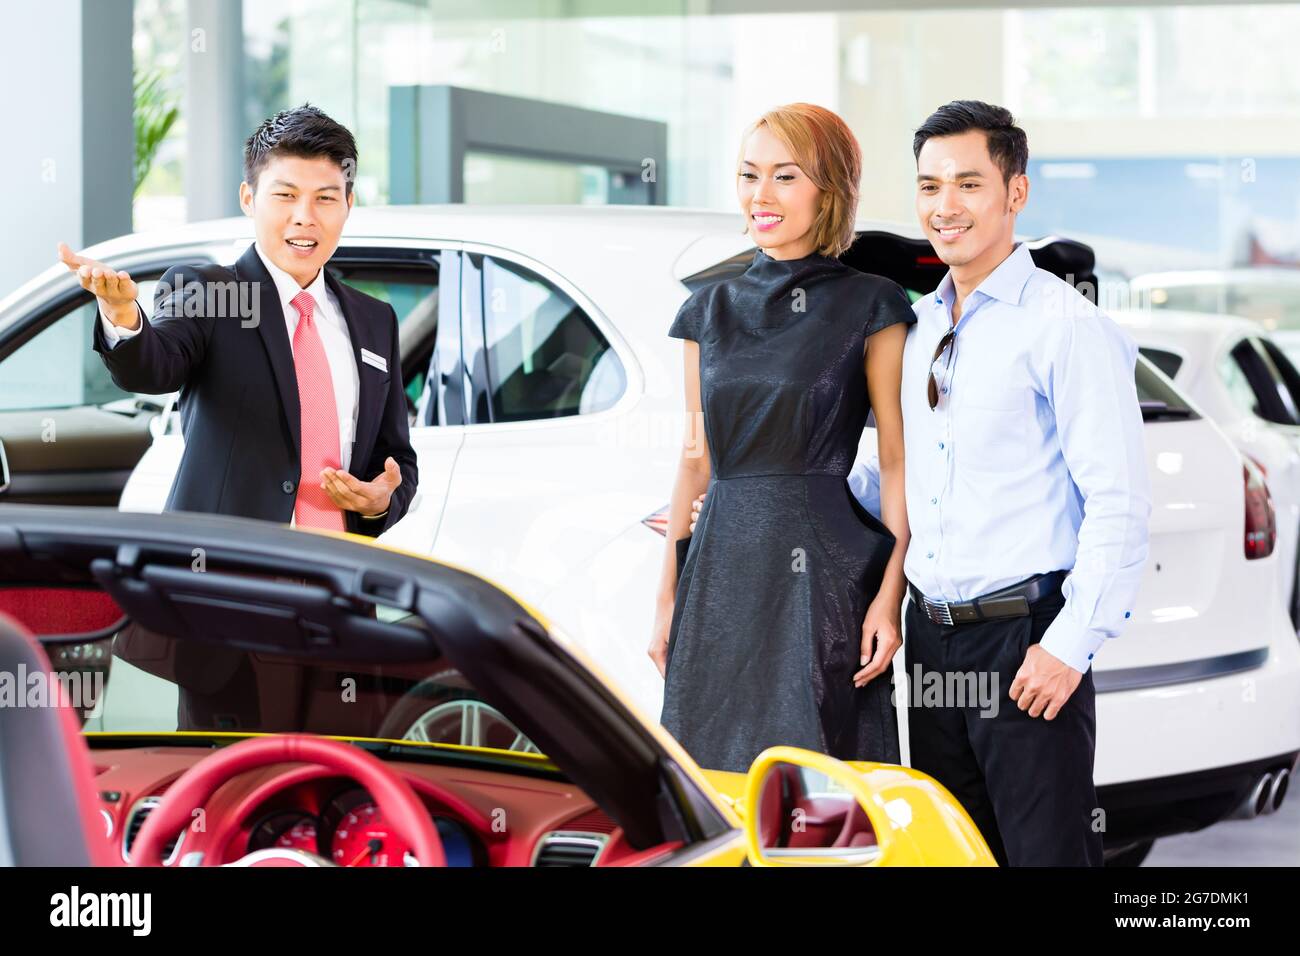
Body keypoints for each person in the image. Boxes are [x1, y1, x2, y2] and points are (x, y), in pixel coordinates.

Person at [58, 104, 420, 730]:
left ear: (348, 204)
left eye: (325, 197)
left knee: (337, 799)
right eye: (285, 195)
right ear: (250, 197)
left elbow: (398, 461)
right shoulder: (210, 292)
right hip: (232, 615)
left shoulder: (373, 321)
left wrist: (380, 499)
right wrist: (124, 318)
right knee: (229, 800)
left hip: (340, 611)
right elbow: (155, 365)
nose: (305, 217)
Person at [649, 103, 916, 775]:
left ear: (830, 188)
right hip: (720, 566)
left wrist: (891, 594)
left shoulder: (874, 303)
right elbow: (694, 460)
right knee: (713, 781)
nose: (760, 195)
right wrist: (667, 601)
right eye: (749, 174)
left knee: (821, 779)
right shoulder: (706, 308)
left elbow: (897, 460)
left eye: (785, 176)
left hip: (824, 569)